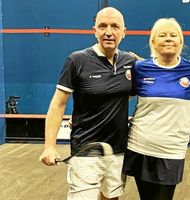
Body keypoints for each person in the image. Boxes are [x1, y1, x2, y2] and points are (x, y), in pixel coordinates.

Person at [39, 7, 135, 200]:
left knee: (111, 197)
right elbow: (58, 104)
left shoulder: (130, 61)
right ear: (95, 30)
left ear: (124, 32)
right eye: (102, 26)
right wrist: (49, 145)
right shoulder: (77, 60)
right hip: (85, 151)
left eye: (115, 26)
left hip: (118, 151)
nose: (108, 31)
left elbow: (139, 86)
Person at [122, 18, 190, 200]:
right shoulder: (140, 68)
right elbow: (120, 96)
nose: (168, 39)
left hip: (171, 150)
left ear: (180, 41)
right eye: (162, 35)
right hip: (140, 145)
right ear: (153, 42)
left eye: (173, 35)